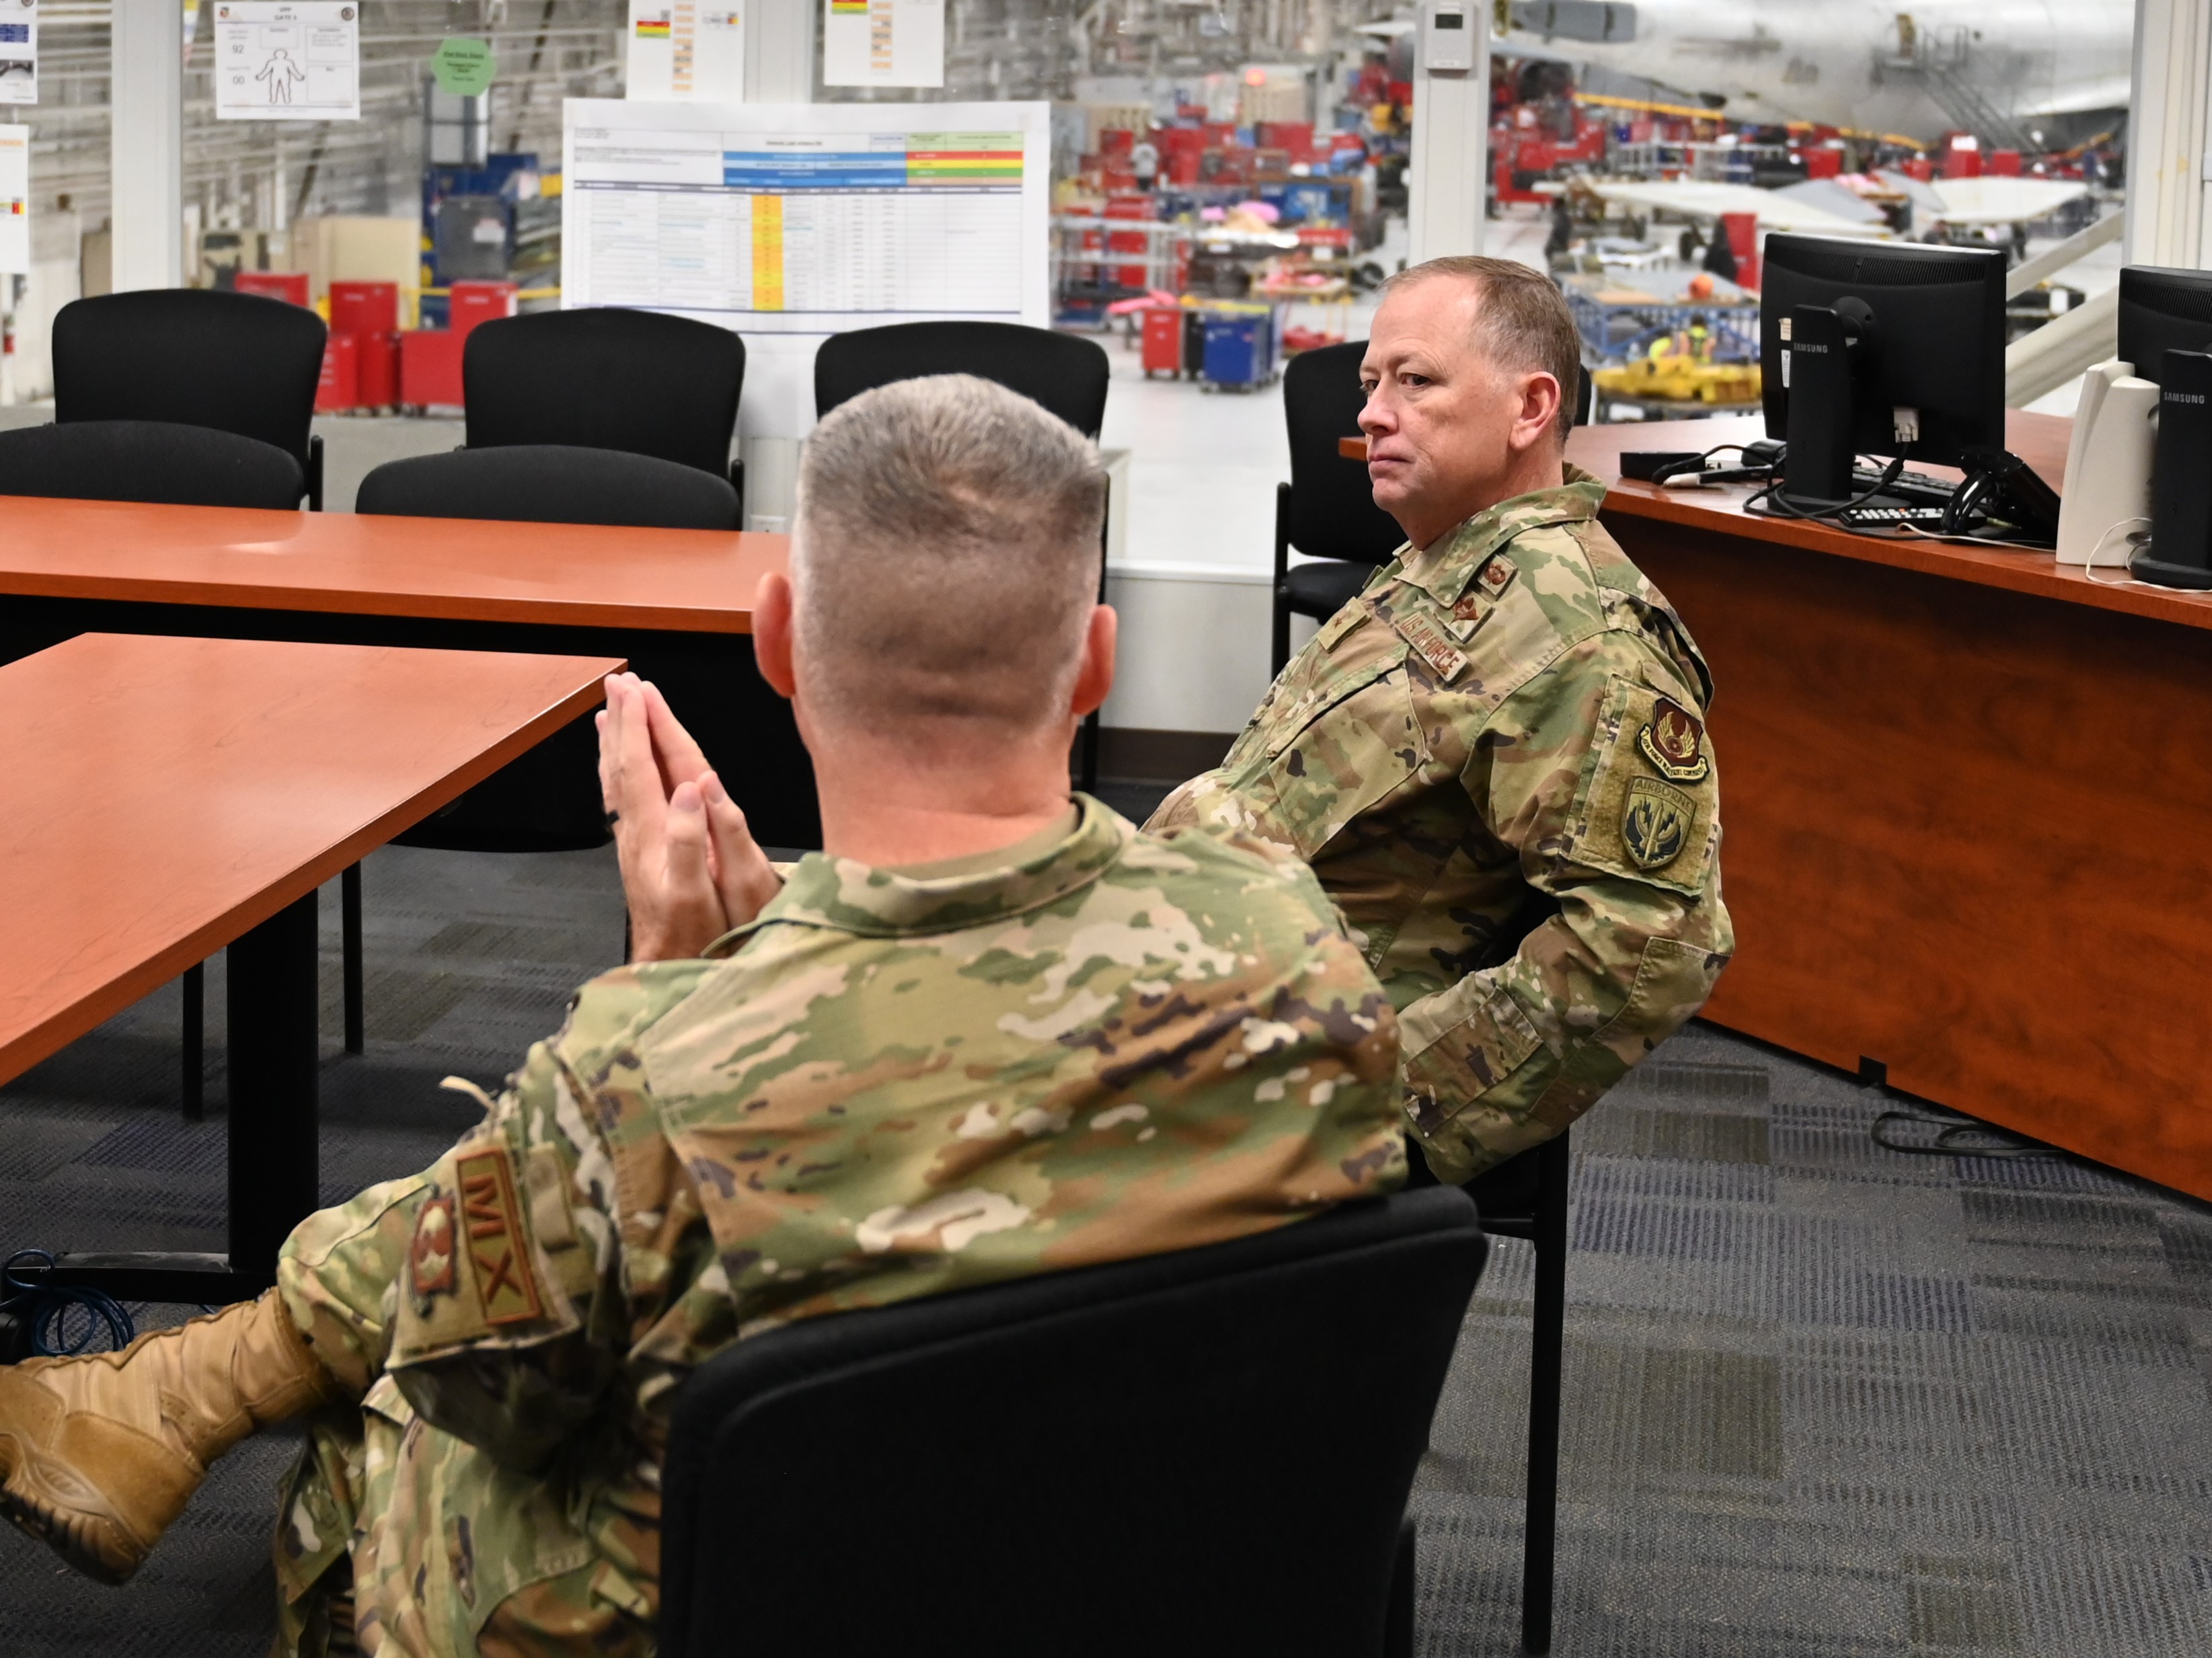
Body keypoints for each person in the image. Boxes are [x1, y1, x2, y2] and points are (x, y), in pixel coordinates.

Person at [0, 375, 1406, 1653]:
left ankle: (184, 1392)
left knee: (377, 1418)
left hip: (723, 1607)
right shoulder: (1302, 953)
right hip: (1158, 1582)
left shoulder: (654, 1063)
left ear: (777, 640)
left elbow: (489, 1397)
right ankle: (168, 1393)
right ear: (1096, 663)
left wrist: (660, 997)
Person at [1151, 256, 1733, 1184]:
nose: (1372, 413)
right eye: (1371, 384)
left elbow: (1650, 943)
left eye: (1414, 381)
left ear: (1530, 407)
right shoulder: (1450, 559)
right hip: (1188, 992)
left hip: (1271, 1079)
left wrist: (1381, 1112)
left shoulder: (1581, 639)